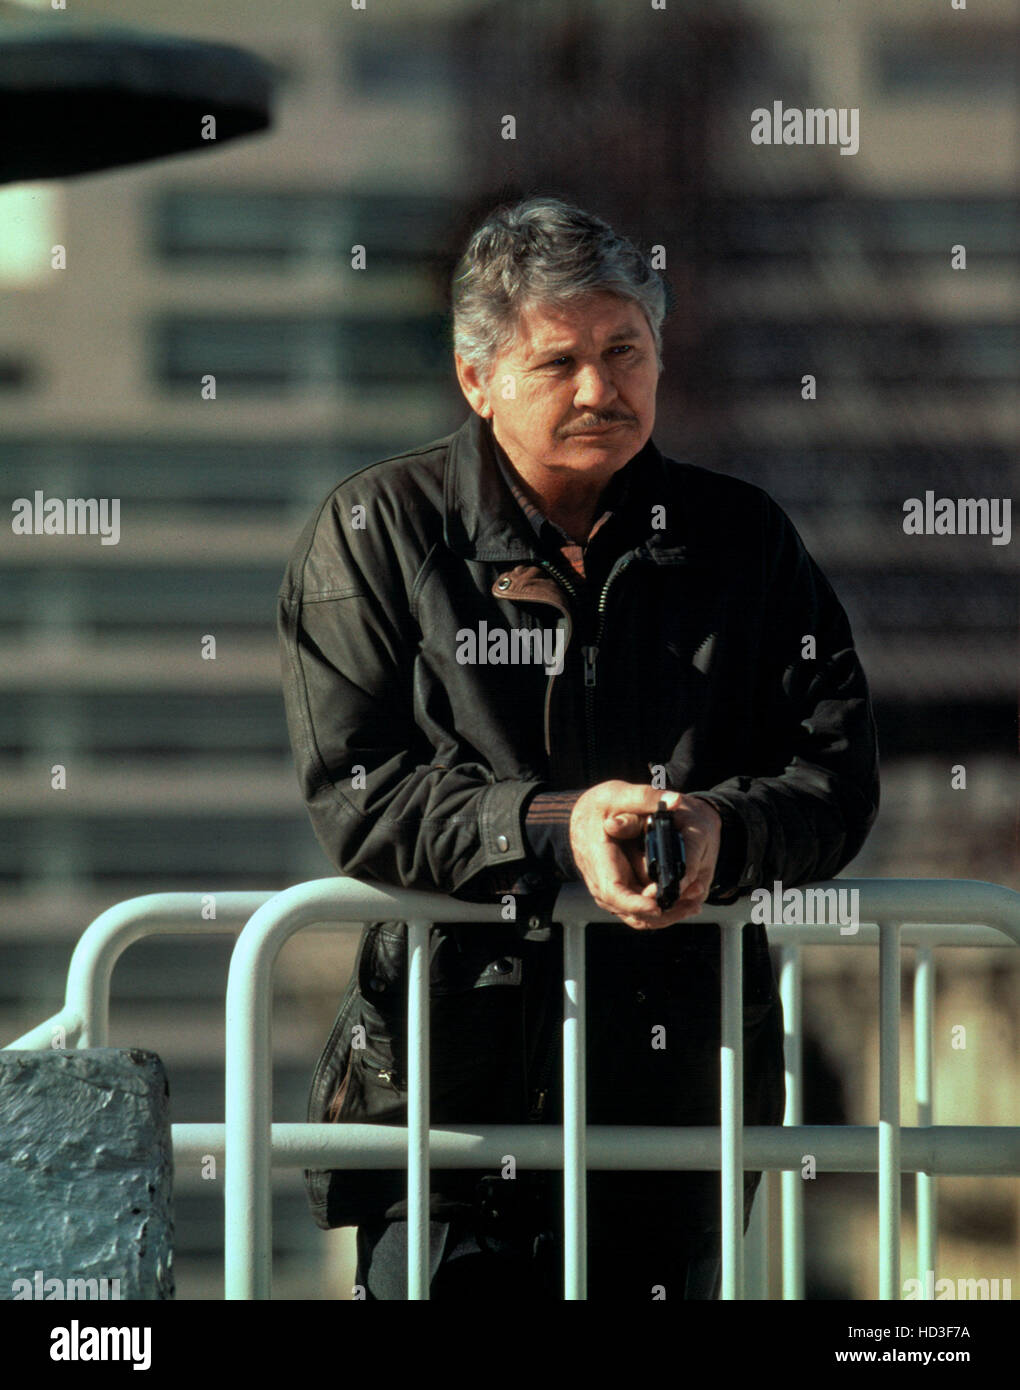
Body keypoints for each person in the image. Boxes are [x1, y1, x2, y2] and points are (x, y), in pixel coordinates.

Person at [277, 196, 879, 1300]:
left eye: (626, 352)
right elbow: (361, 796)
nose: (602, 389)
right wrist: (563, 827)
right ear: (477, 379)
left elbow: (836, 777)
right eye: (559, 362)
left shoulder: (741, 538)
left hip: (683, 1086)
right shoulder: (377, 530)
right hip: (445, 1098)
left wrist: (722, 829)